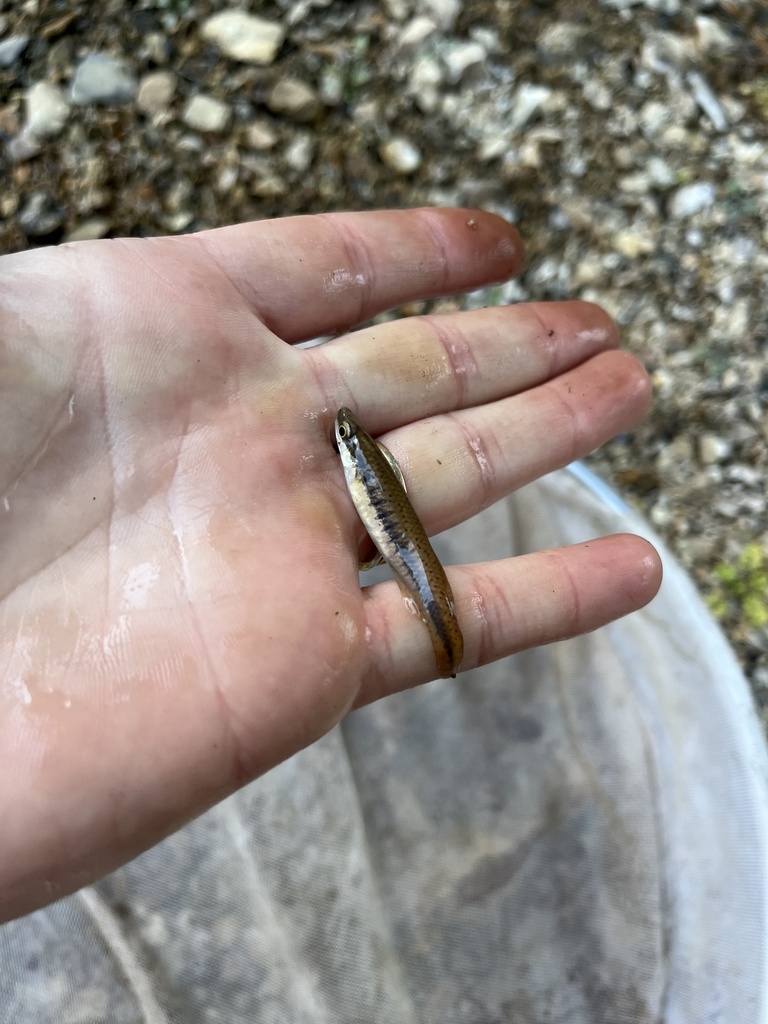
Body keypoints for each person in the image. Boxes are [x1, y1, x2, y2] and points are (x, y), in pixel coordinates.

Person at [0, 207, 661, 925]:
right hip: (397, 541)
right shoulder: (352, 454)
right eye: (348, 436)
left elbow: (376, 488)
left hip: (402, 540)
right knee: (424, 590)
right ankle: (445, 640)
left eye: (347, 437)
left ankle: (446, 639)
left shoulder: (360, 459)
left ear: (354, 453)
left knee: (423, 582)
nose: (344, 437)